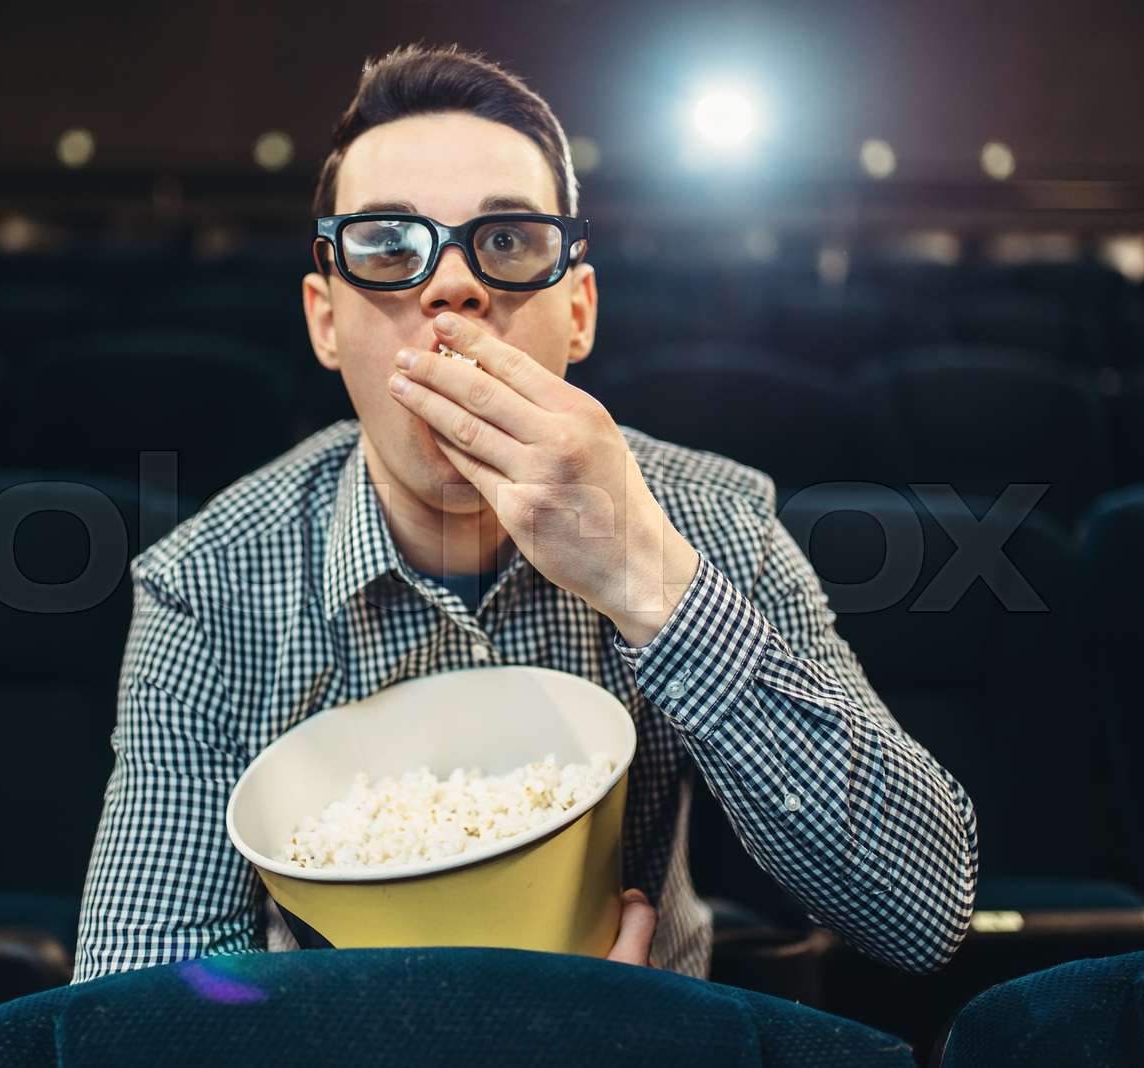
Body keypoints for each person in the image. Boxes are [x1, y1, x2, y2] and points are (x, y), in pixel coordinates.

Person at [72, 42, 977, 984]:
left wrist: (646, 576)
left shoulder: (717, 521)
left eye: (507, 242)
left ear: (578, 311)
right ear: (326, 321)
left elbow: (925, 913)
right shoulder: (206, 584)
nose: (452, 287)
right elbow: (137, 1000)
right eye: (388, 245)